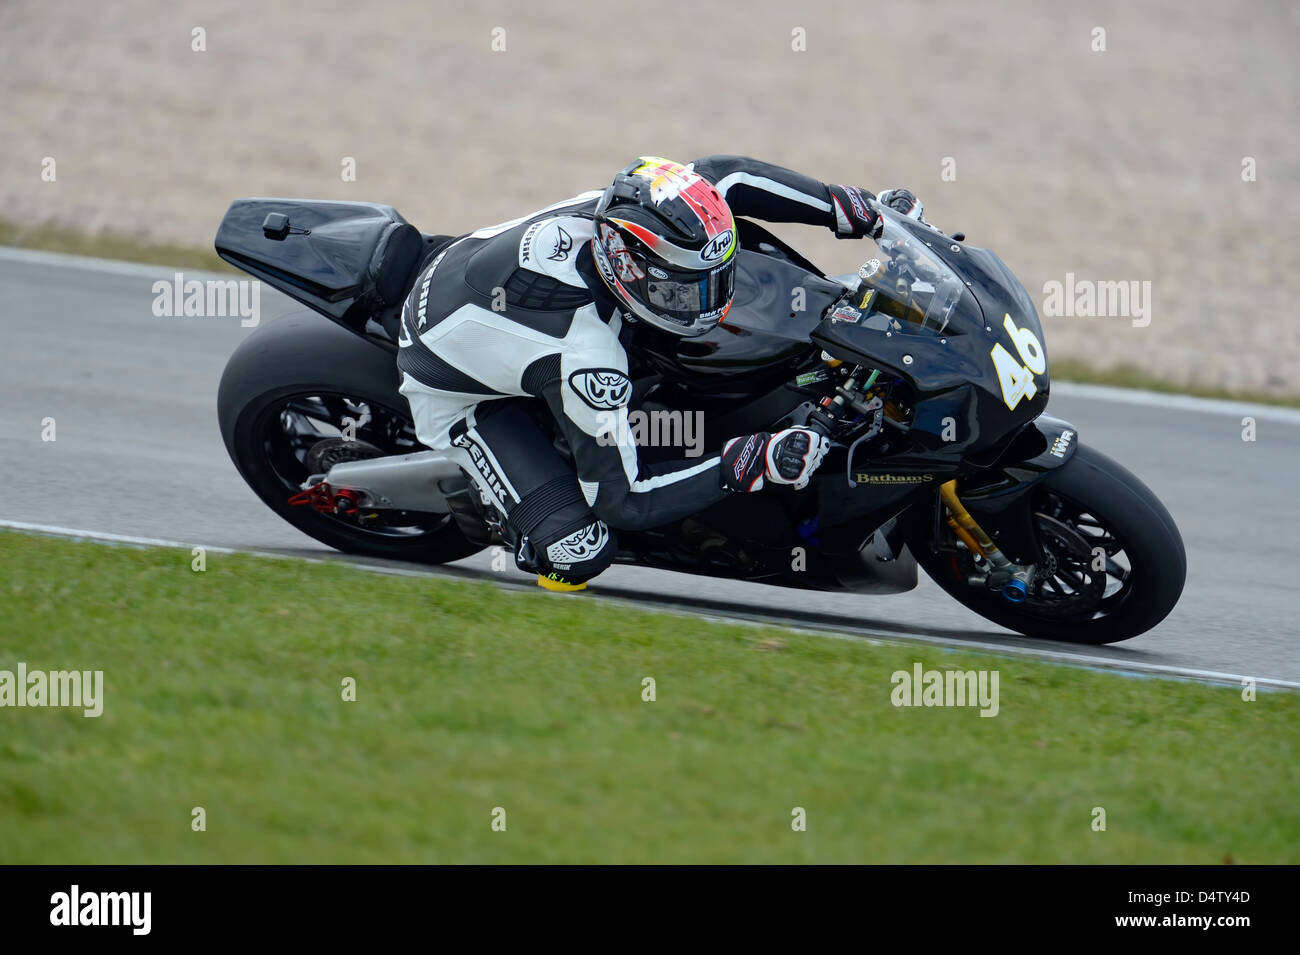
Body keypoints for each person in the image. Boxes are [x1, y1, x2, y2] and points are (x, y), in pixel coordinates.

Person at [396, 155, 922, 589]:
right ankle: (503, 501)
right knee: (578, 553)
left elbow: (730, 175)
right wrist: (744, 463)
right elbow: (624, 499)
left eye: (714, 279)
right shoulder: (587, 355)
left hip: (468, 273)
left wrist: (859, 211)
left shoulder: (653, 212)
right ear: (628, 269)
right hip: (457, 385)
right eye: (686, 289)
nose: (709, 301)